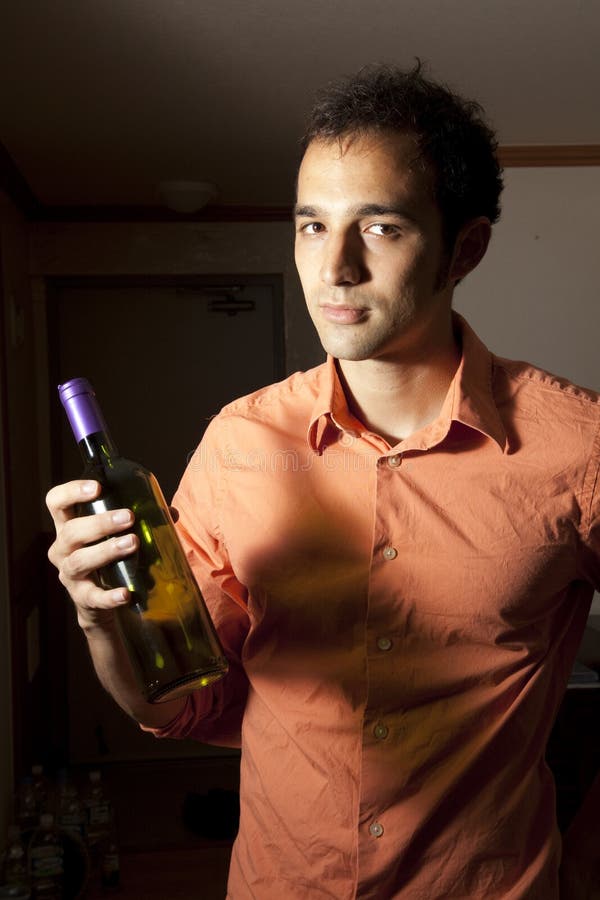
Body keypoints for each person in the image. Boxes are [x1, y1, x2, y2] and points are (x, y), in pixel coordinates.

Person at [46, 63, 600, 898]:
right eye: (311, 225)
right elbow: (180, 706)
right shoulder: (239, 441)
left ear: (467, 247)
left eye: (379, 227)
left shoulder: (581, 448)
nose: (333, 268)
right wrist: (100, 621)